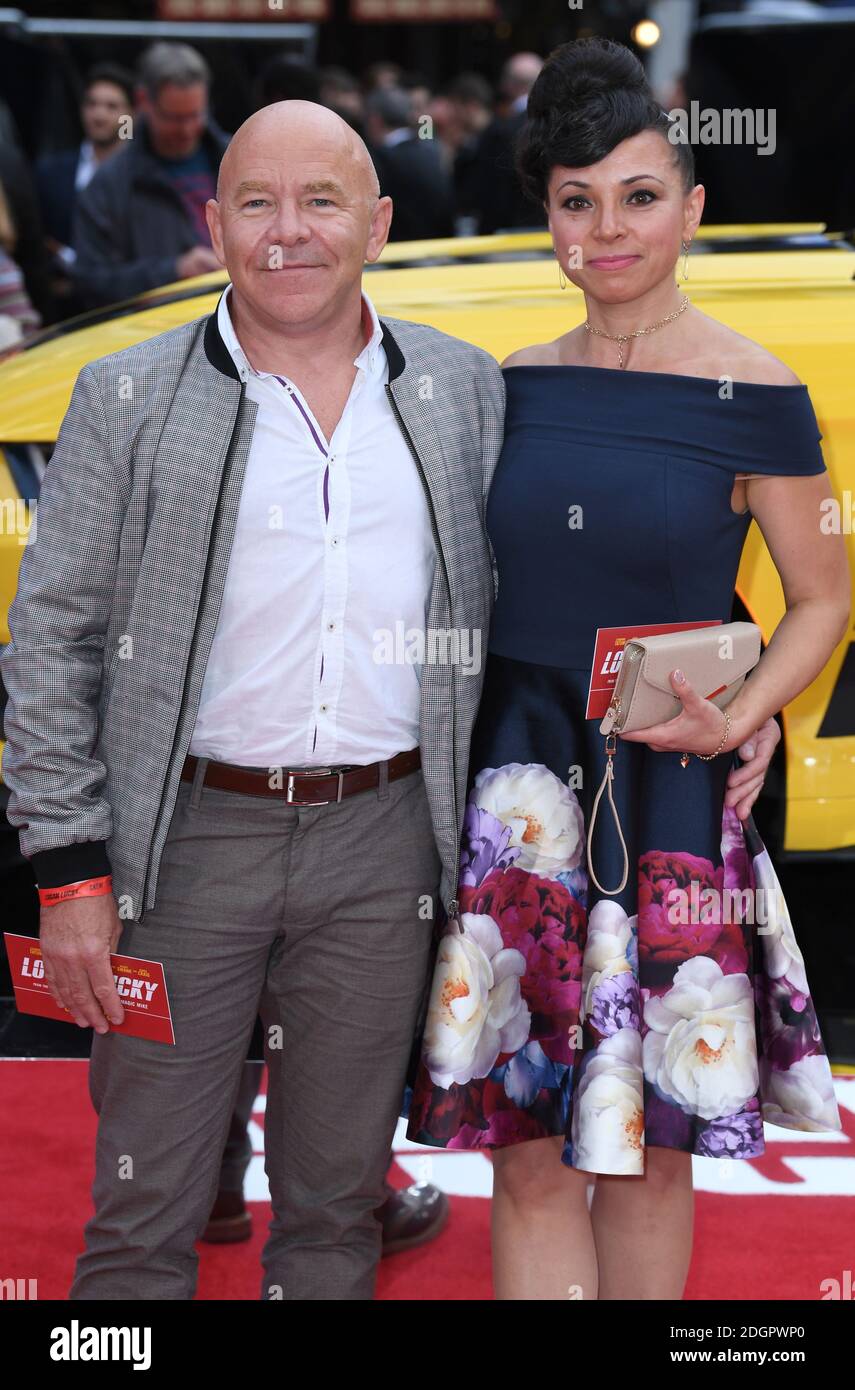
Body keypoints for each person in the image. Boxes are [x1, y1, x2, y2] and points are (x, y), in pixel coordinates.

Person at [0, 97, 504, 1301]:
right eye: (259, 204)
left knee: (335, 1215)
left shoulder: (462, 389)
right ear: (214, 221)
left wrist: (727, 663)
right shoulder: (128, 397)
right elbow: (50, 642)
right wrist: (68, 872)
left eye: (321, 201)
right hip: (184, 847)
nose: (290, 233)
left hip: (387, 850)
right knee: (140, 1215)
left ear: (377, 224)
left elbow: (552, 577)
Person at [406, 37, 849, 1300]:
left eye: (640, 196)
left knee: (655, 1145)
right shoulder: (513, 389)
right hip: (518, 796)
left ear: (694, 208)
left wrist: (744, 718)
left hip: (668, 791)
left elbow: (823, 598)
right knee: (530, 1139)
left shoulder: (763, 396)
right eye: (576, 200)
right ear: (546, 214)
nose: (608, 229)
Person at [71, 42, 229, 308]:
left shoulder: (237, 159)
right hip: (155, 338)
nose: (188, 130)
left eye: (196, 115)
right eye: (175, 118)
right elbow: (90, 282)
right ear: (144, 102)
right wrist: (173, 271)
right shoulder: (110, 185)